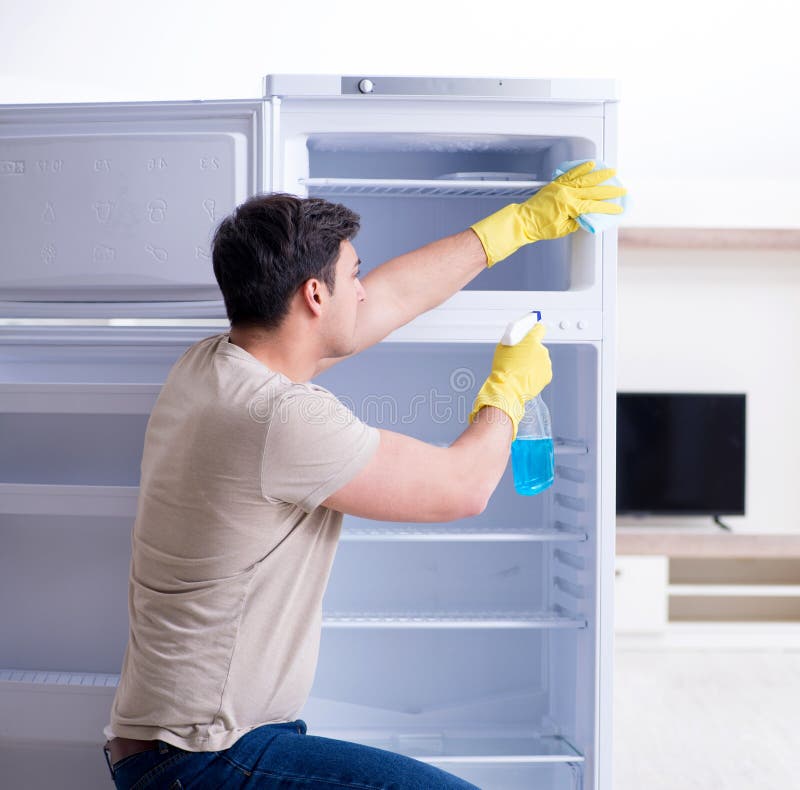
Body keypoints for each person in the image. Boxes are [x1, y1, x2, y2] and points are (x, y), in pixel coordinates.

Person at [102, 162, 625, 789]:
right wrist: (508, 391)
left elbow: (396, 295)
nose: (364, 291)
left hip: (195, 744)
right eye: (353, 276)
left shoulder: (212, 365)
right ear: (314, 296)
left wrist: (513, 227)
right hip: (200, 760)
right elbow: (461, 486)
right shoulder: (278, 417)